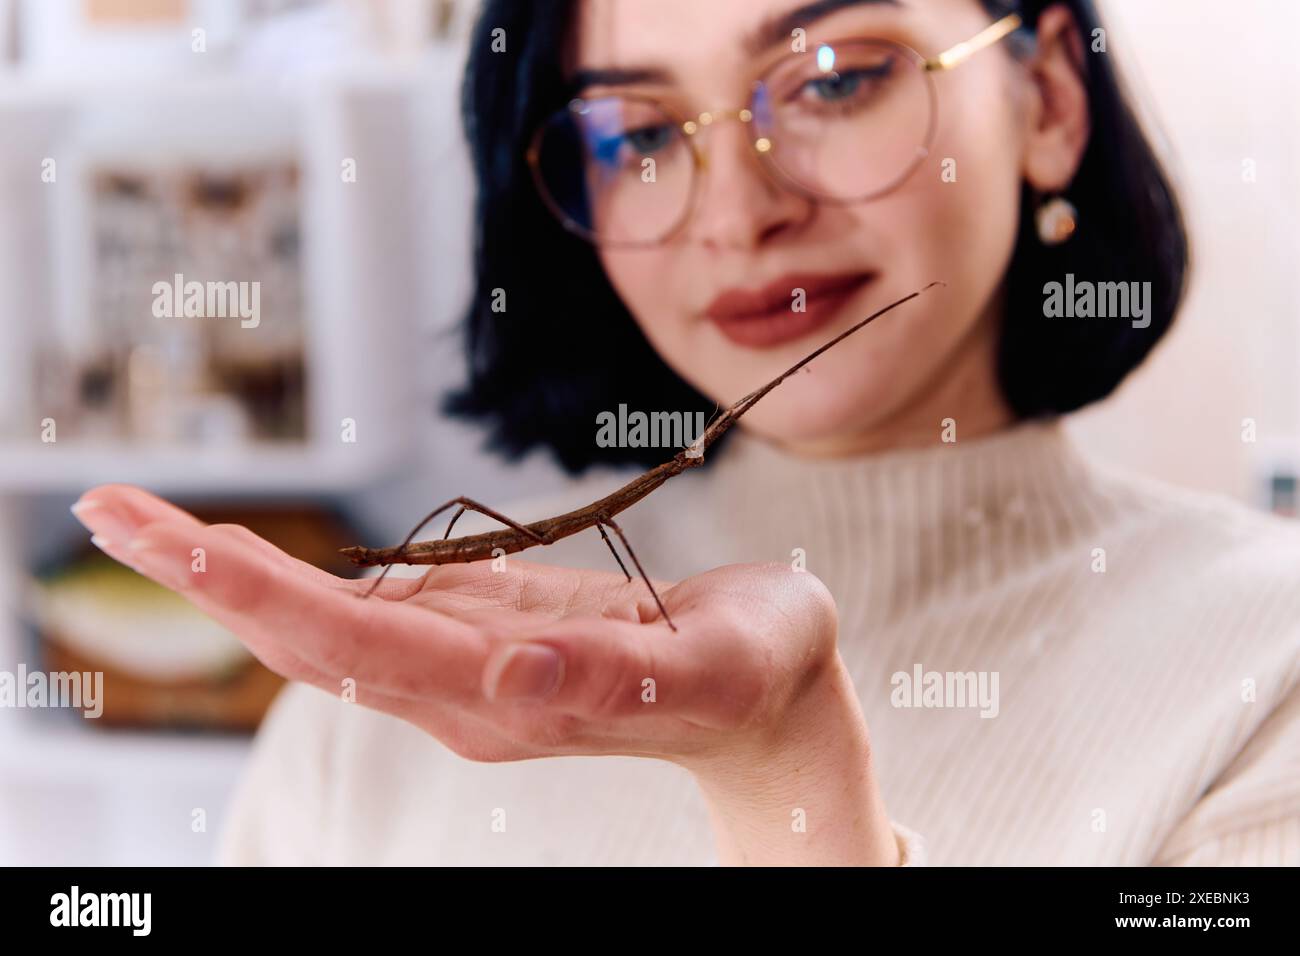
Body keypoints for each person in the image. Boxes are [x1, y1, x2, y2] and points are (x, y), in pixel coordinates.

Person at [74, 0, 1300, 865]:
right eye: (638, 135)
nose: (741, 209)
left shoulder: (1261, 678)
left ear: (1045, 96)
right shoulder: (374, 690)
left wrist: (789, 770)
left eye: (832, 77)